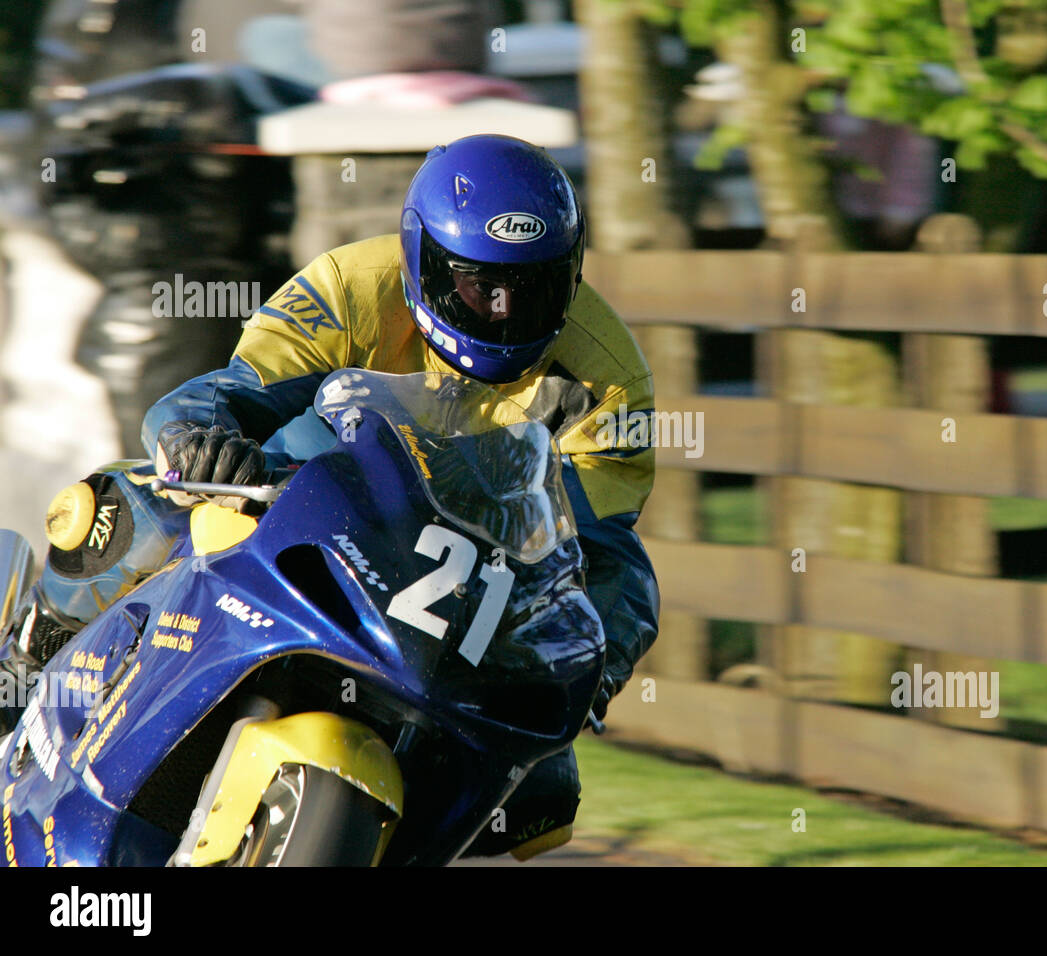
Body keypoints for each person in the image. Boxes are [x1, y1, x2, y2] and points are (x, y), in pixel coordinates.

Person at [0, 133, 660, 861]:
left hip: (471, 588)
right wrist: (199, 438)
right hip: (325, 498)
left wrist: (590, 666)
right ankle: (22, 671)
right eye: (479, 286)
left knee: (546, 779)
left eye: (529, 290)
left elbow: (596, 546)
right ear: (423, 261)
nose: (503, 313)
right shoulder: (350, 285)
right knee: (118, 510)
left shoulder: (608, 379)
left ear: (569, 276)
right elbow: (231, 393)